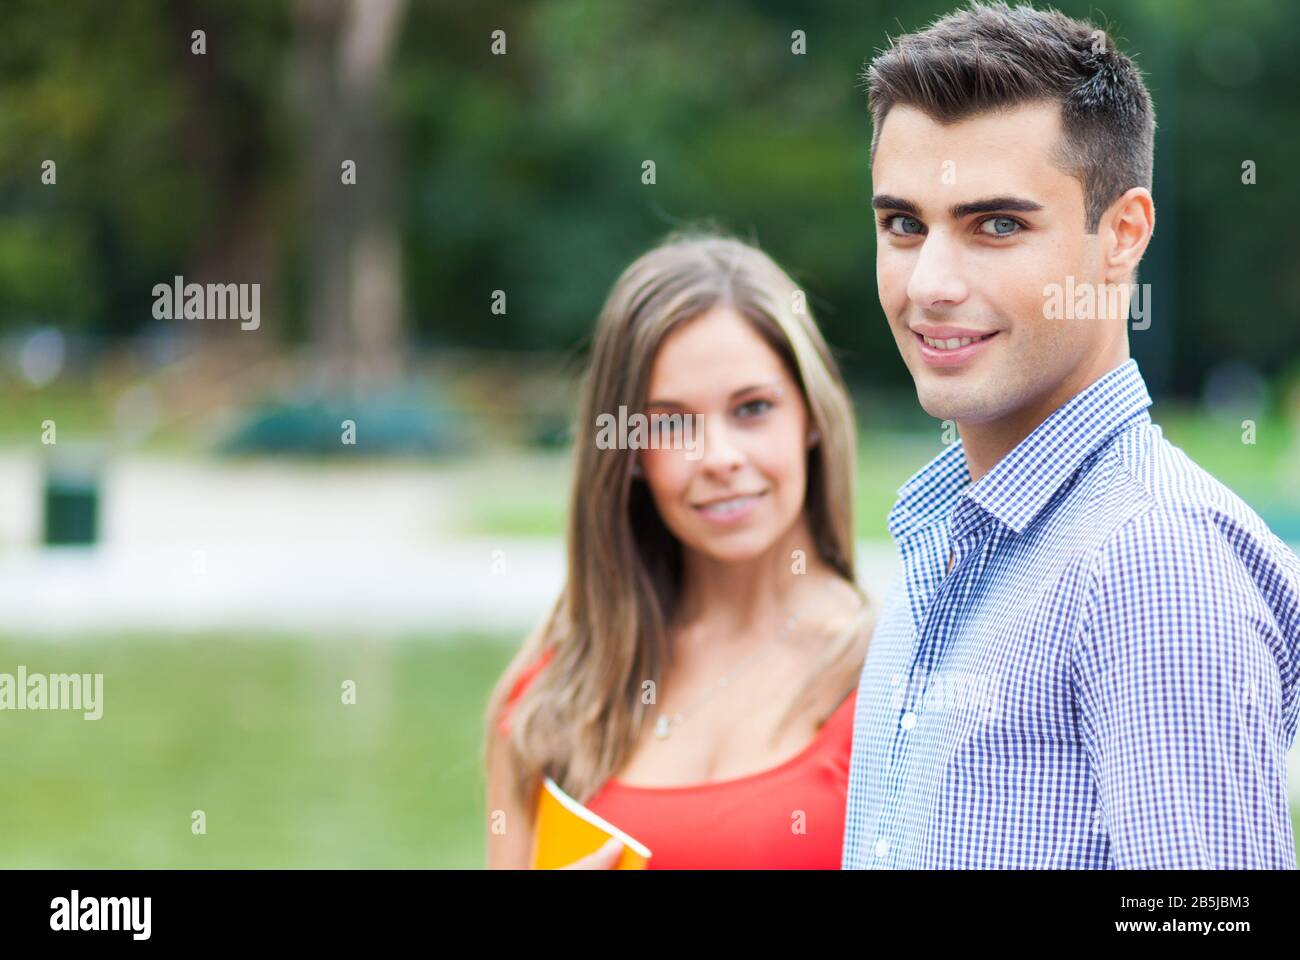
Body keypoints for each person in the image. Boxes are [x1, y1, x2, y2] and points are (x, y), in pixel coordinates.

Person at [843, 0, 1300, 868]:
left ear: (1121, 235)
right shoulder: (948, 535)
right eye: (904, 224)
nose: (930, 283)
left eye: (998, 225)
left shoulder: (1150, 562)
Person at [484, 230, 872, 868]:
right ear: (630, 452)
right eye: (671, 423)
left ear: (810, 416)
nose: (719, 458)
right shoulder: (547, 698)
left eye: (752, 408)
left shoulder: (894, 676)